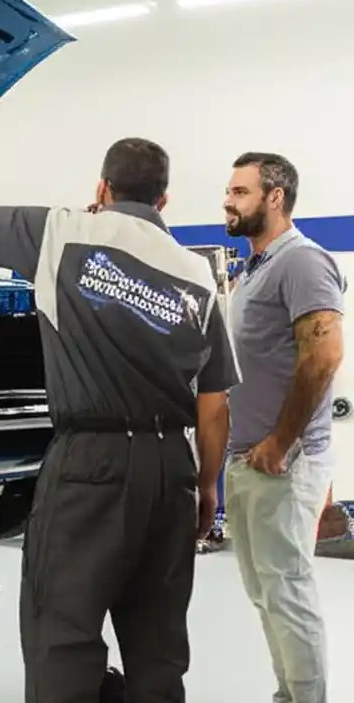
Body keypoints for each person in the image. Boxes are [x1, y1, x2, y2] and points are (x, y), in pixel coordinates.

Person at [0, 138, 238, 702]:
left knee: (63, 631)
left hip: (91, 464)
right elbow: (215, 406)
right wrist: (205, 487)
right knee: (158, 646)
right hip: (169, 467)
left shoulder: (63, 233)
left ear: (101, 189)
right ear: (164, 200)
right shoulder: (198, 275)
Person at [220, 151, 345, 703]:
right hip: (253, 460)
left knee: (287, 591)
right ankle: (288, 696)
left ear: (276, 197)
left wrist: (282, 443)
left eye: (241, 192)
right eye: (230, 191)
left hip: (280, 462)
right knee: (267, 592)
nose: (228, 200)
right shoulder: (260, 268)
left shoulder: (301, 262)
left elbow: (323, 357)